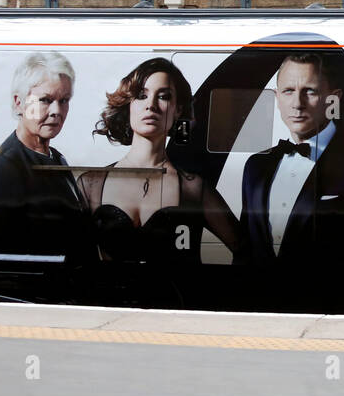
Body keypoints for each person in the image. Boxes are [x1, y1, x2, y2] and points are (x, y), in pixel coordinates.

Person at [240, 52, 344, 269]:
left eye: (310, 91)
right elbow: (245, 253)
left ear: (333, 99)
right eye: (288, 91)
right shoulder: (256, 166)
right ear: (277, 98)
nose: (297, 103)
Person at [78, 58, 240, 264]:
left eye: (163, 97)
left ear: (178, 109)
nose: (151, 106)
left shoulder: (193, 188)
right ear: (129, 104)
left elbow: (245, 249)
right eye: (141, 96)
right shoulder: (91, 184)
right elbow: (77, 260)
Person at [0, 52, 93, 261]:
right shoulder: (3, 168)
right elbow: (1, 256)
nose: (57, 111)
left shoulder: (55, 157)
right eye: (46, 100)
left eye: (64, 100)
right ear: (19, 103)